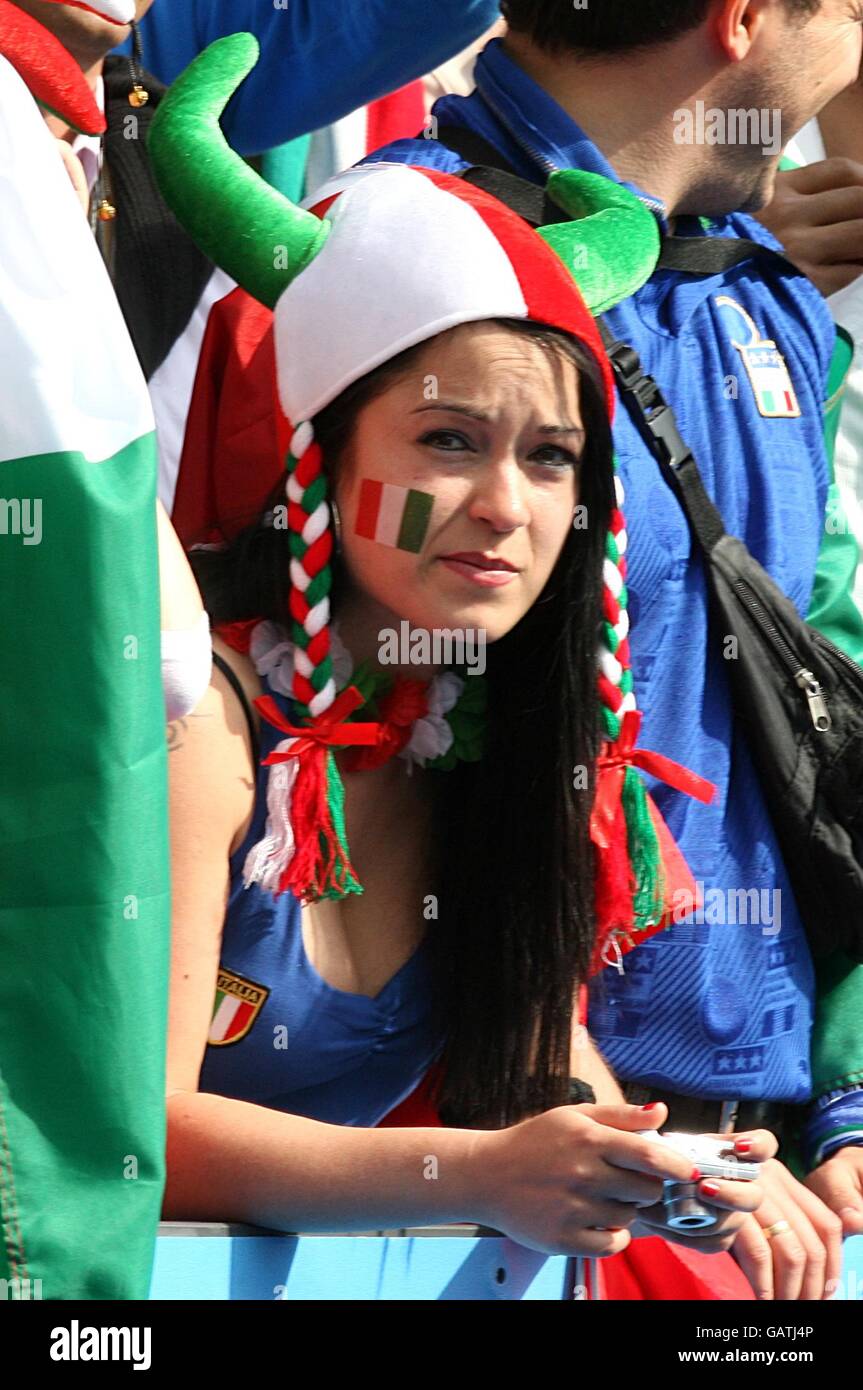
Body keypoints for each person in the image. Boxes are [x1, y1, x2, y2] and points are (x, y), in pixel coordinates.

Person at [143, 35, 775, 1267]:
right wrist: (479, 1170)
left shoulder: (506, 743)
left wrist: (659, 1163)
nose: (506, 503)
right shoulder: (200, 726)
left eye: (549, 457)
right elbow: (132, 1139)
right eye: (446, 440)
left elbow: (538, 1073)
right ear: (317, 463)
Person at [363, 0, 863, 1299]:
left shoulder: (770, 297)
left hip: (760, 1172)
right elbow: (350, 721)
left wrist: (847, 1092)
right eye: (853, 9)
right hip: (480, 1158)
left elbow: (821, 738)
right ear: (742, 19)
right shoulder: (398, 254)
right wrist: (564, 1083)